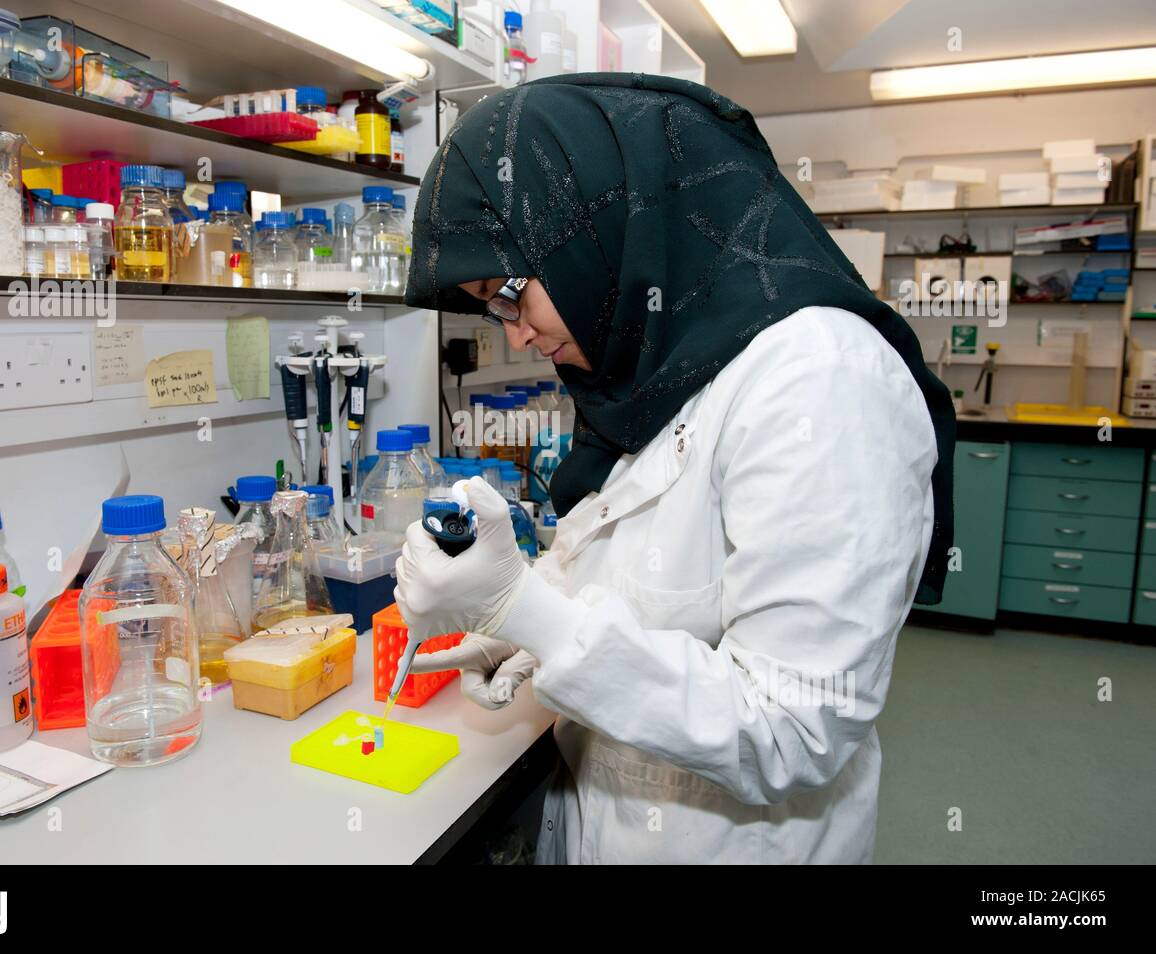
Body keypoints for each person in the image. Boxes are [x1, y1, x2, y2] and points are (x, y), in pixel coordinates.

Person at [395, 74, 955, 864]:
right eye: (494, 311)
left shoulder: (824, 381)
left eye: (510, 294)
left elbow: (797, 724)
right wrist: (516, 626)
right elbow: (650, 577)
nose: (515, 335)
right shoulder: (656, 367)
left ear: (585, 219)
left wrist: (532, 615)